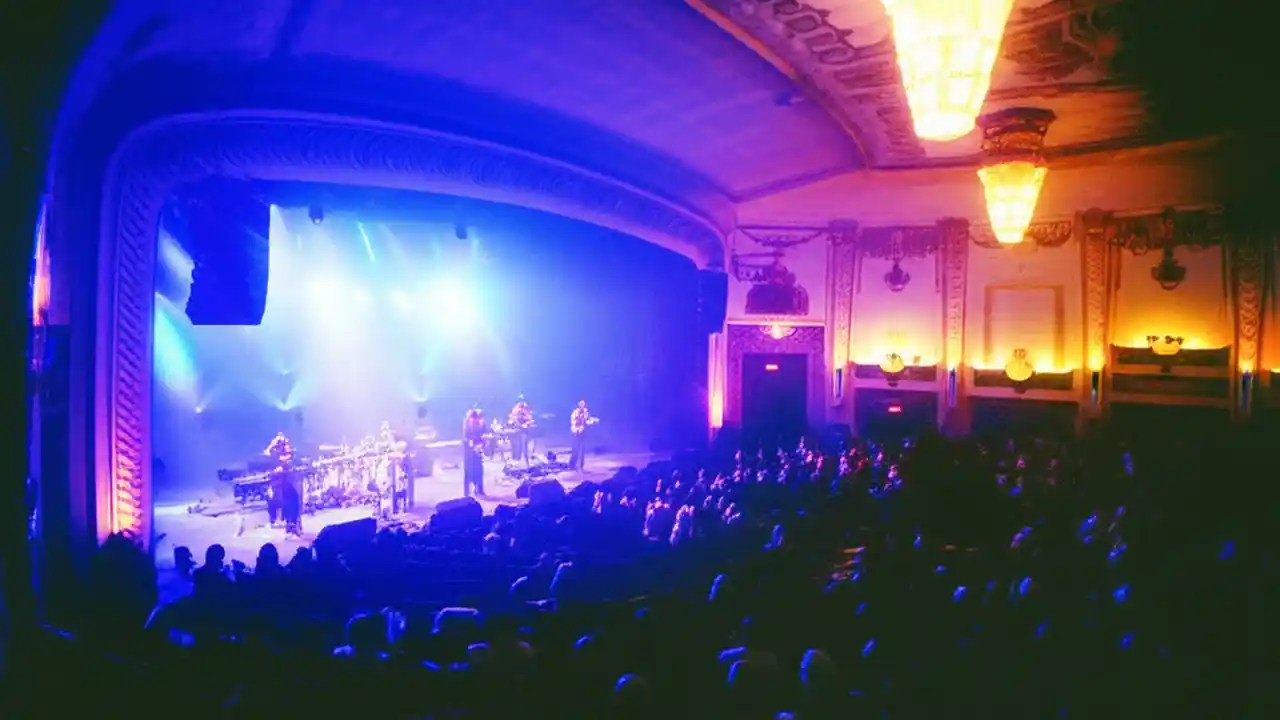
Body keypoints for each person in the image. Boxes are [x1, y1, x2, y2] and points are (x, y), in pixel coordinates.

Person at [463, 406, 487, 498]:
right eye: (473, 418)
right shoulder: (466, 425)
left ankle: (479, 490)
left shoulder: (480, 424)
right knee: (468, 471)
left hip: (478, 449)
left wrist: (483, 442)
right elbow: (465, 437)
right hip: (468, 452)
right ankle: (466, 492)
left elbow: (483, 434)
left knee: (479, 470)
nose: (475, 420)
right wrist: (470, 442)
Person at [569, 400, 595, 471]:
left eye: (583, 404)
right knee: (575, 449)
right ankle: (572, 465)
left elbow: (588, 421)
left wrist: (590, 422)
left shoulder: (586, 413)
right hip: (575, 431)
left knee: (582, 449)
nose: (582, 405)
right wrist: (577, 426)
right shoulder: (575, 412)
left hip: (583, 432)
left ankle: (581, 465)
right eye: (581, 404)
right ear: (578, 404)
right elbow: (572, 421)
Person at [508, 395, 535, 462]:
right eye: (520, 401)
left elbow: (530, 418)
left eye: (522, 400)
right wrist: (516, 423)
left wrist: (526, 423)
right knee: (516, 445)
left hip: (525, 431)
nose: (521, 402)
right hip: (517, 430)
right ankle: (517, 458)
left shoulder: (526, 408)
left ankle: (526, 458)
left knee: (525, 445)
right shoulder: (515, 408)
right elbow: (513, 418)